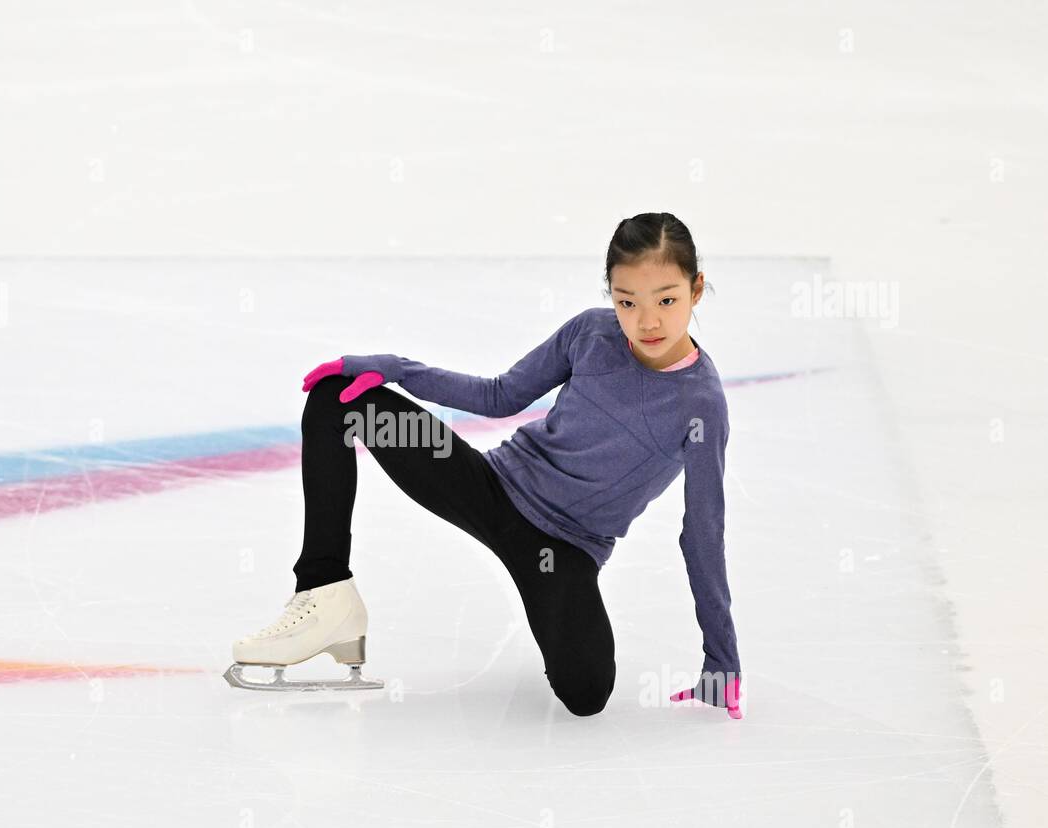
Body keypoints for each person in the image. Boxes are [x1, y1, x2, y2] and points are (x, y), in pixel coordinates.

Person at [225, 212, 742, 719]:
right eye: (627, 301)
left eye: (667, 300)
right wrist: (397, 370)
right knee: (339, 397)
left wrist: (720, 659)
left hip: (562, 550)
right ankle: (325, 591)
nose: (647, 321)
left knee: (585, 694)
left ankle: (554, 617)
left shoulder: (701, 404)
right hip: (489, 489)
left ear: (696, 290)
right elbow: (501, 395)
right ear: (610, 293)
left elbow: (701, 531)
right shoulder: (592, 333)